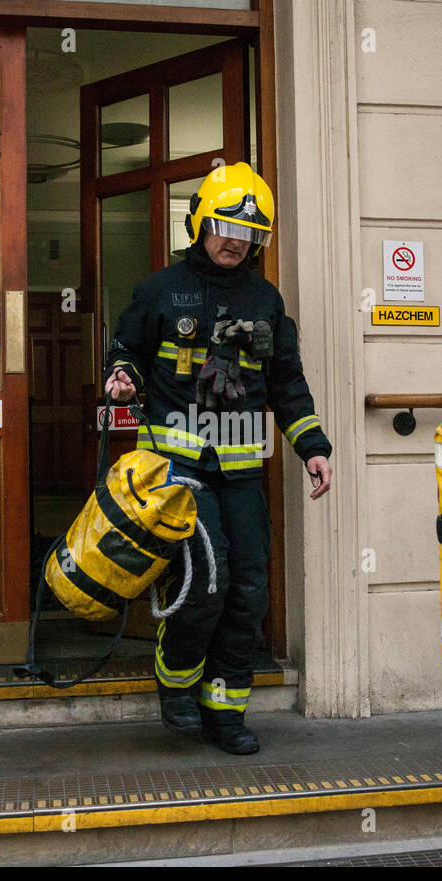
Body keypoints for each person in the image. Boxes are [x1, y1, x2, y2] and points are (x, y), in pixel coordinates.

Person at [102, 161, 332, 755]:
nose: (237, 241)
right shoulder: (159, 290)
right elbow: (123, 349)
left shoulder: (266, 300)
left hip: (241, 474)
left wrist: (313, 448)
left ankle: (224, 709)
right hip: (175, 471)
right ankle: (176, 684)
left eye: (251, 234)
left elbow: (287, 384)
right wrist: (122, 377)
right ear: (200, 224)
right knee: (207, 579)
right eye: (226, 227)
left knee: (250, 588)